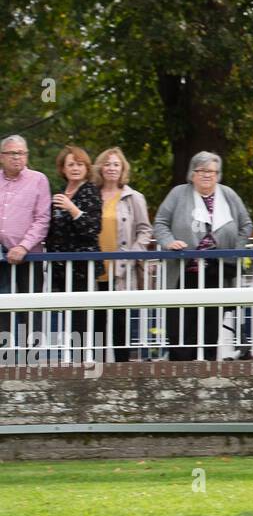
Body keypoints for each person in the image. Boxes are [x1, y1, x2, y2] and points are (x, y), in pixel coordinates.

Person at [153, 152, 253, 361]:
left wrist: (236, 250)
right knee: (180, 326)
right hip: (185, 271)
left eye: (212, 171)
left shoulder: (228, 195)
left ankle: (206, 367)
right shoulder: (179, 194)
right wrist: (169, 242)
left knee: (209, 326)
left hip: (217, 271)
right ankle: (179, 370)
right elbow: (161, 222)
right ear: (193, 173)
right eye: (202, 171)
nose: (208, 175)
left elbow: (246, 225)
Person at [92, 147, 151, 360]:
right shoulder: (90, 194)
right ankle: (95, 372)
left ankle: (122, 371)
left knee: (120, 322)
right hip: (95, 269)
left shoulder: (133, 197)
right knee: (96, 323)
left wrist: (135, 253)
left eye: (116, 164)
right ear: (100, 167)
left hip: (121, 269)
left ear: (122, 168)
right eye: (107, 164)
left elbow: (145, 230)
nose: (111, 168)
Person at [45, 146, 104, 356]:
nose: (76, 168)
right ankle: (68, 358)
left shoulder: (90, 192)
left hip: (82, 268)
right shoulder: (58, 193)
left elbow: (93, 229)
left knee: (81, 317)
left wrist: (72, 208)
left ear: (87, 168)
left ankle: (83, 359)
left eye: (80, 164)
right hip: (60, 268)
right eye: (71, 164)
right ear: (63, 168)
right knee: (64, 316)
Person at [0, 135, 50, 297]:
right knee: (2, 309)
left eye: (21, 153)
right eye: (11, 153)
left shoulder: (38, 179)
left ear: (27, 156)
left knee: (31, 309)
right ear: (2, 157)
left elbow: (42, 219)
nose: (16, 157)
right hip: (0, 255)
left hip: (29, 255)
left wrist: (23, 247)